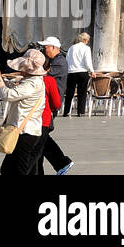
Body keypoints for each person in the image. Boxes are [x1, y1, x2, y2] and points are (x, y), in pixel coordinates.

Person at [0, 49, 49, 175]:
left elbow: (8, 95)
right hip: (23, 130)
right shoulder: (31, 81)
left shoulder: (33, 84)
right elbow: (17, 93)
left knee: (19, 170)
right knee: (8, 169)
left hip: (25, 132)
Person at [36, 38, 74, 175]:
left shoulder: (59, 62)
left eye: (45, 47)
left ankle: (61, 162)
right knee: (41, 138)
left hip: (50, 104)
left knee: (40, 137)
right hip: (47, 103)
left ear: (53, 48)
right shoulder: (54, 61)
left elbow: (41, 76)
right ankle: (61, 162)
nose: (43, 51)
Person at [64, 31, 93, 118]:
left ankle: (66, 111)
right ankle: (80, 111)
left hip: (71, 72)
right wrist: (91, 71)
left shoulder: (71, 48)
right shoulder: (86, 48)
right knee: (82, 92)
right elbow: (87, 61)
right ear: (85, 40)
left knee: (69, 92)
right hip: (82, 71)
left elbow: (67, 59)